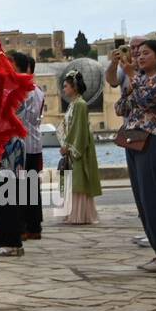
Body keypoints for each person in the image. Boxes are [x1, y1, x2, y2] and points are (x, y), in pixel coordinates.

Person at [116, 40, 156, 272]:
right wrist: (131, 82)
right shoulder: (137, 79)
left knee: (152, 199)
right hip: (134, 140)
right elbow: (121, 108)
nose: (140, 57)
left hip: (152, 140)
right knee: (141, 200)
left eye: (146, 53)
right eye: (138, 54)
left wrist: (133, 77)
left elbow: (147, 99)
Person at [11, 52, 46, 241]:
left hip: (22, 145)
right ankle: (34, 226)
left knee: (20, 188)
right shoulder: (38, 91)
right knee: (32, 188)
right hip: (35, 143)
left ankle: (23, 227)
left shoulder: (21, 91)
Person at [59, 69, 101, 224]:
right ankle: (73, 213)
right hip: (74, 143)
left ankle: (80, 214)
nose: (64, 89)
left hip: (80, 145)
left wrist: (69, 146)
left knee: (79, 180)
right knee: (73, 180)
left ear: (74, 87)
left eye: (66, 86)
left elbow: (79, 128)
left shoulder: (80, 105)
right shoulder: (73, 104)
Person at [0, 112, 27, 257]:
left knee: (7, 206)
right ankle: (3, 242)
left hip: (9, 171)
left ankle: (12, 244)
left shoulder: (17, 143)